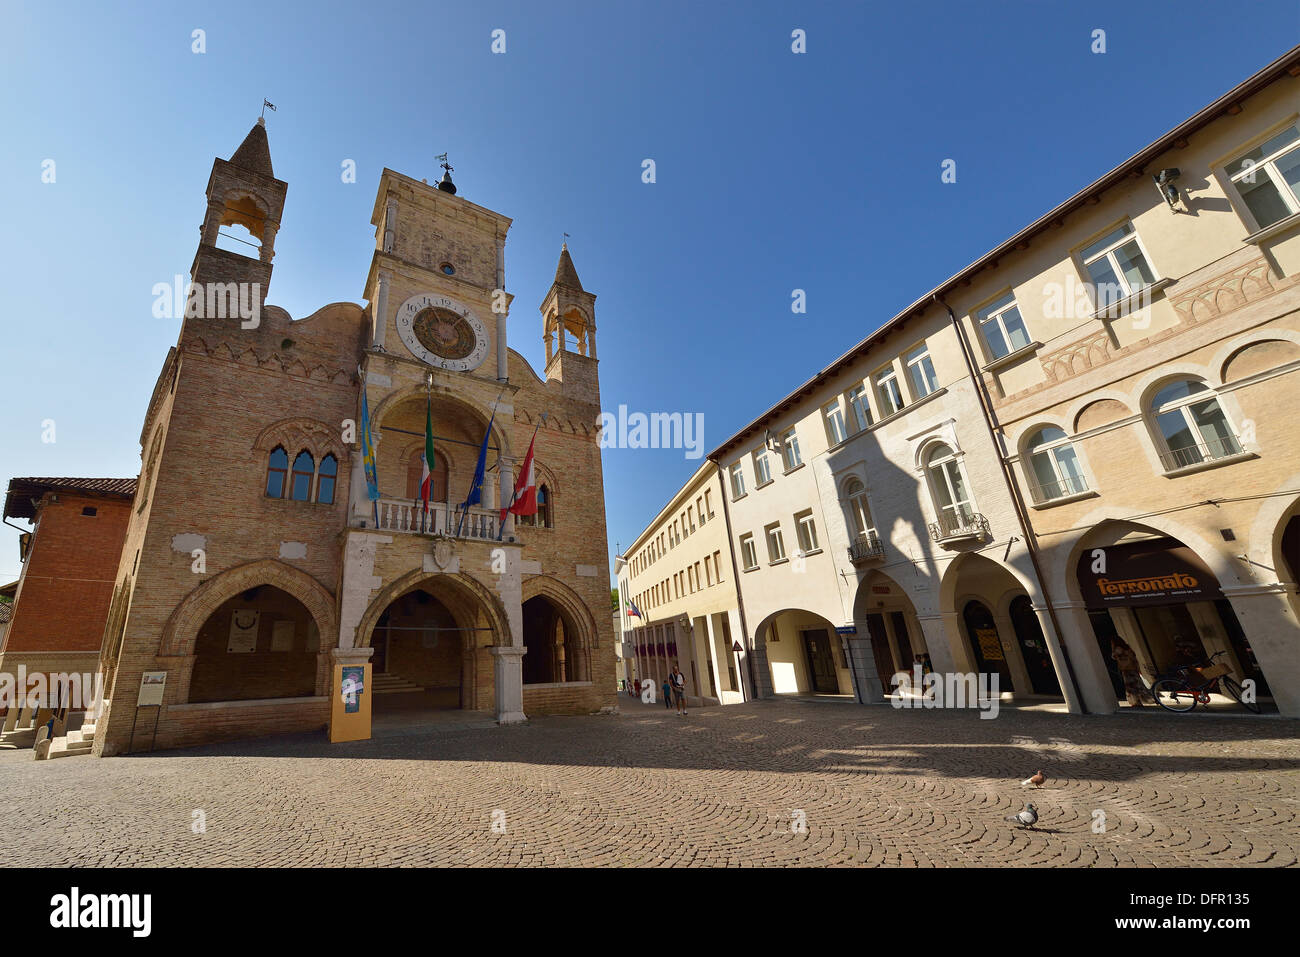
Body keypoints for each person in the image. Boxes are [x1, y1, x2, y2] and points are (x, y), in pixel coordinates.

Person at [1111, 638, 1150, 707]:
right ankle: (1141, 699)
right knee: (1137, 684)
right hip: (1133, 668)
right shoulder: (1127, 648)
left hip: (1126, 669)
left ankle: (1135, 701)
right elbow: (1133, 657)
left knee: (1130, 686)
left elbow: (1114, 657)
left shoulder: (1117, 649)